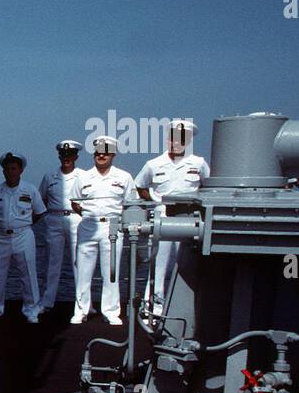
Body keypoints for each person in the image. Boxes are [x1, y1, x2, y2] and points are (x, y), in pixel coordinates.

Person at [135, 119, 209, 313]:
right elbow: (140, 186)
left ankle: (185, 307)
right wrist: (155, 200)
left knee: (187, 265)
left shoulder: (199, 163)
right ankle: (153, 308)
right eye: (174, 138)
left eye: (182, 139)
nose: (177, 143)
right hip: (162, 219)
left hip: (189, 220)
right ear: (168, 139)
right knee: (157, 266)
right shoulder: (153, 164)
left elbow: (208, 188)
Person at [70, 135, 138, 325]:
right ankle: (81, 310)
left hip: (112, 227)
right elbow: (75, 202)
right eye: (98, 152)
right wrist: (87, 214)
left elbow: (131, 203)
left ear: (113, 154)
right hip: (88, 226)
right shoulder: (83, 177)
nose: (101, 155)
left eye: (106, 152)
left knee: (111, 271)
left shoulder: (124, 177)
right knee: (83, 271)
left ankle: (111, 311)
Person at [0, 152, 46, 323]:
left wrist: (23, 225)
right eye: (7, 169)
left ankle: (31, 310)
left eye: (13, 168)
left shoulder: (30, 190)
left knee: (28, 274)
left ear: (20, 170)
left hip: (23, 235)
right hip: (0, 237)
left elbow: (39, 212)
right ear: (3, 171)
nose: (10, 172)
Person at [38, 139, 85, 312]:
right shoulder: (50, 176)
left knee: (79, 262)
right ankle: (47, 302)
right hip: (54, 219)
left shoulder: (83, 176)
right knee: (52, 262)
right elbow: (41, 199)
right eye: (64, 154)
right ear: (59, 155)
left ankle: (82, 304)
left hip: (76, 219)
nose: (67, 158)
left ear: (76, 156)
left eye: (70, 155)